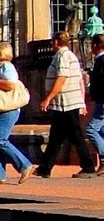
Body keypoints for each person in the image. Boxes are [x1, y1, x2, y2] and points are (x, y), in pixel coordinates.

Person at [36, 30, 98, 178]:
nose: (52, 44)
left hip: (65, 103)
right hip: (66, 103)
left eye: (52, 41)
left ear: (56, 42)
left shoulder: (63, 56)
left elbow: (62, 78)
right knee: (56, 137)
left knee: (74, 135)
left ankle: (88, 166)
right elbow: (79, 80)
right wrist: (81, 102)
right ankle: (44, 168)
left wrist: (48, 98)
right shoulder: (71, 56)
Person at [0, 41, 34, 184]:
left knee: (0, 140)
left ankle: (24, 165)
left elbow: (10, 85)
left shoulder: (7, 67)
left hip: (7, 110)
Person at [85, 34, 104, 176]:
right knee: (102, 131)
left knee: (91, 130)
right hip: (100, 100)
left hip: (102, 101)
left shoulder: (101, 60)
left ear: (97, 45)